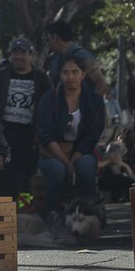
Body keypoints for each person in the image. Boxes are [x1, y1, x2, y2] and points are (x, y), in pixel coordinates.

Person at [35, 56, 105, 220]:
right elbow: (45, 134)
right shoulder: (48, 99)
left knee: (86, 165)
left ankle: (90, 213)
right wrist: (66, 162)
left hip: (81, 152)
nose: (70, 77)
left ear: (83, 74)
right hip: (52, 153)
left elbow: (93, 133)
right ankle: (51, 214)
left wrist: (75, 156)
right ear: (59, 75)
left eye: (75, 72)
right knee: (57, 169)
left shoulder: (94, 100)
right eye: (65, 72)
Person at [0, 37, 51, 197]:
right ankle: (10, 209)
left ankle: (24, 208)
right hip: (5, 132)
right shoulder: (1, 76)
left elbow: (47, 106)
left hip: (29, 134)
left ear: (31, 55)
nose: (19, 57)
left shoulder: (41, 78)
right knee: (9, 175)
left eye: (23, 53)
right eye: (15, 53)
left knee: (26, 175)